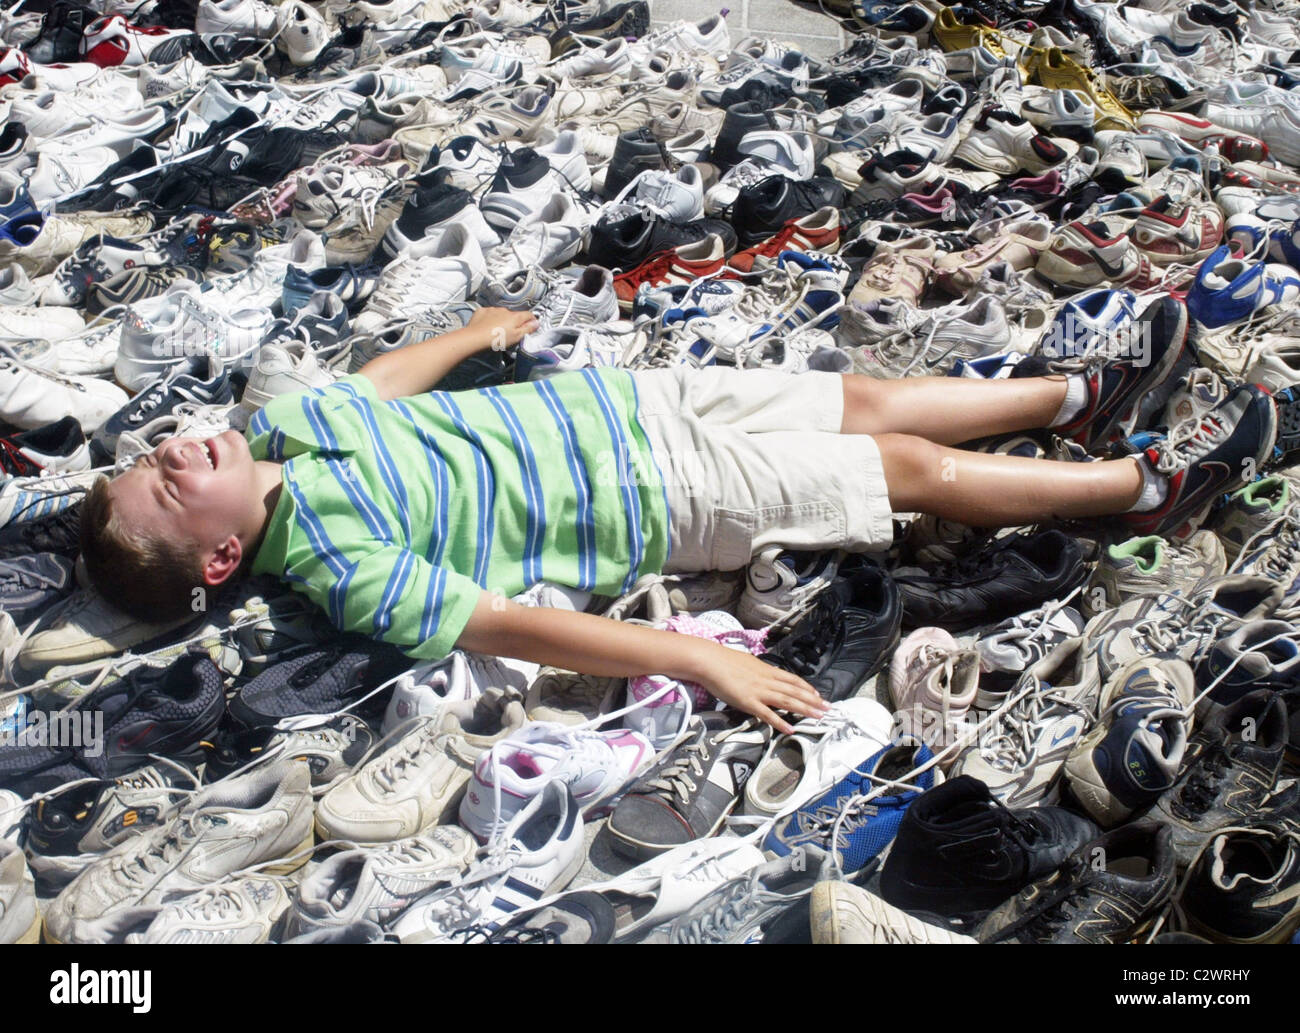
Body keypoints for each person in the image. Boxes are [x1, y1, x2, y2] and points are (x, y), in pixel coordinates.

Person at [81, 305, 1275, 733]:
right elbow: (509, 626)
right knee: (898, 465)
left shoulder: (283, 429)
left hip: (632, 404)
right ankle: (1148, 490)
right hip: (657, 498)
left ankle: (1081, 395)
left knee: (860, 395)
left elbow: (384, 377)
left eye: (160, 454)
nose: (182, 448)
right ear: (225, 552)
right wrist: (692, 654)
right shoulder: (338, 565)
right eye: (174, 483)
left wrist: (476, 334)